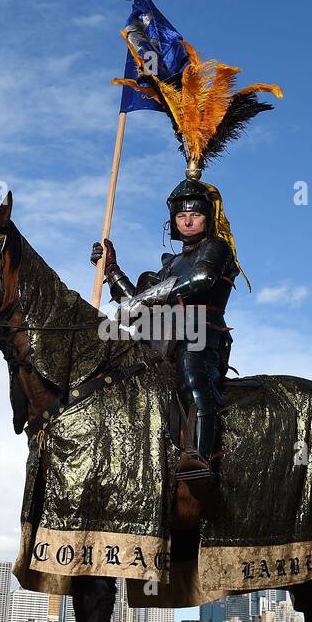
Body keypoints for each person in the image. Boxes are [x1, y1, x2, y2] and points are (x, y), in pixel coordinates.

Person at [91, 179, 238, 480]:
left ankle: (199, 457)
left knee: (191, 374)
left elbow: (202, 278)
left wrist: (144, 300)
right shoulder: (171, 264)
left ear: (208, 217)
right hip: (162, 337)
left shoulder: (217, 247)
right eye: (181, 215)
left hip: (201, 334)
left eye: (195, 214)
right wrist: (111, 269)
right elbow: (137, 303)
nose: (187, 220)